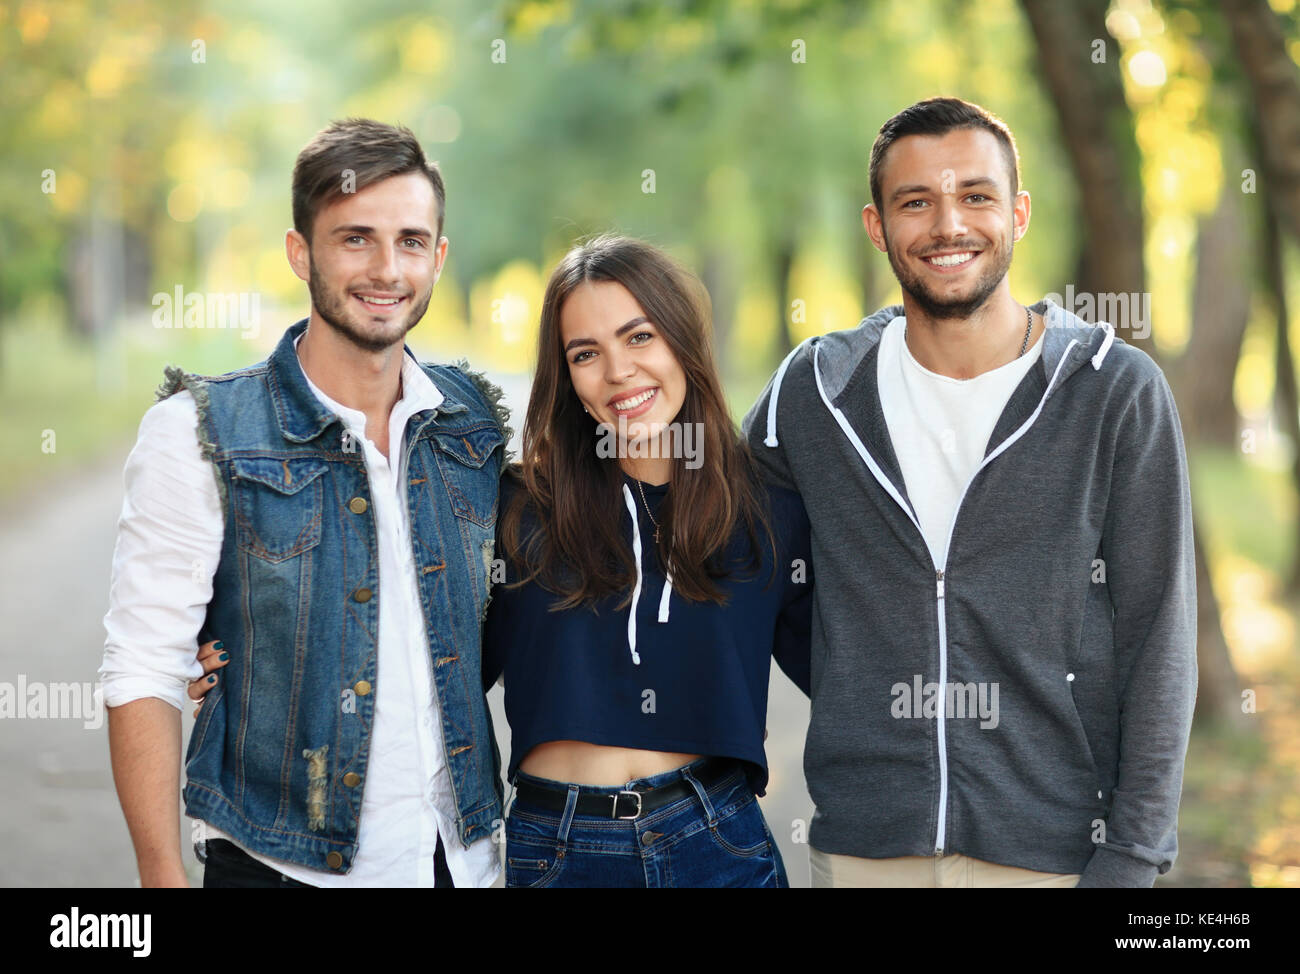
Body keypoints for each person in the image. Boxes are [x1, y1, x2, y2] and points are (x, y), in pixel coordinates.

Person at [742, 97, 1197, 887]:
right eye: (915, 201)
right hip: (863, 850)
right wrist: (864, 676)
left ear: (1017, 213)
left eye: (976, 196)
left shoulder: (1113, 391)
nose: (948, 225)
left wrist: (1133, 853)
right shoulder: (815, 393)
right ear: (878, 226)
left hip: (1056, 853)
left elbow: (1160, 634)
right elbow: (748, 570)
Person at [100, 118, 509, 888]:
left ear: (438, 257)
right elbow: (144, 666)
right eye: (356, 238)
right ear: (301, 252)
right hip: (281, 868)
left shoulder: (474, 424)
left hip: (462, 866)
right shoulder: (201, 431)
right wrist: (161, 878)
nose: (387, 268)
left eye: (411, 241)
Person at [484, 234, 813, 887]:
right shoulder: (517, 508)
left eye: (639, 337)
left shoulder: (766, 506)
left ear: (682, 342)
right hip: (555, 849)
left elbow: (854, 666)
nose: (618, 371)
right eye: (586, 353)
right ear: (569, 379)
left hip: (716, 843)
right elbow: (426, 663)